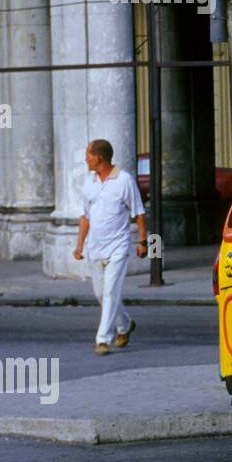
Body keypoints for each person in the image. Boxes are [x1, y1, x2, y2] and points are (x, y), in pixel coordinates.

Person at [72, 139, 147, 356]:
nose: (86, 159)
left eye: (88, 155)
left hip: (118, 246)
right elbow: (85, 216)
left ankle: (103, 339)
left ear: (99, 157)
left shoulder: (124, 180)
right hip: (95, 247)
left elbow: (139, 212)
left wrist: (143, 241)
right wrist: (79, 245)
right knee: (101, 294)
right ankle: (124, 325)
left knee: (111, 292)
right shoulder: (89, 182)